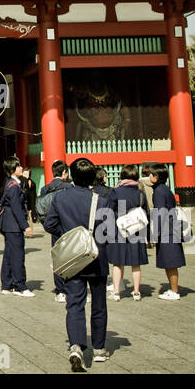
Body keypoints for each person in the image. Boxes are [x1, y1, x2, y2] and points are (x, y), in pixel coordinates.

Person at [44, 158, 112, 370]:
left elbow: (49, 224)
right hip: (96, 256)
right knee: (99, 303)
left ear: (71, 175)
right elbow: (109, 230)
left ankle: (76, 345)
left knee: (75, 303)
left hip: (73, 258)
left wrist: (67, 237)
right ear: (93, 177)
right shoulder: (101, 200)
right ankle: (99, 348)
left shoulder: (60, 198)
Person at [105, 164, 148, 301]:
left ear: (122, 176)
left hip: (119, 230)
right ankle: (136, 292)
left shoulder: (115, 192)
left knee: (118, 262)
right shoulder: (141, 193)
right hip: (136, 229)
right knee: (136, 263)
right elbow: (145, 211)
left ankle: (116, 292)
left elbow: (108, 210)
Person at [146, 164, 186, 300]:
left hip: (166, 230)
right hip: (171, 227)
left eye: (151, 174)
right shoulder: (165, 189)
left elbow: (159, 212)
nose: (149, 176)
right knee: (170, 262)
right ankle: (173, 288)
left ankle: (174, 291)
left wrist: (154, 233)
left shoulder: (158, 191)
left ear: (156, 176)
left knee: (170, 262)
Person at [37, 161, 74, 302]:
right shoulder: (69, 187)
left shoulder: (45, 188)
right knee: (71, 256)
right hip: (68, 225)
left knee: (57, 257)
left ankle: (60, 290)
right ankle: (71, 286)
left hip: (54, 227)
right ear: (64, 172)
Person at [0, 159, 34, 297]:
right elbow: (17, 208)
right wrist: (26, 226)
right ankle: (20, 286)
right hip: (13, 225)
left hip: (9, 224)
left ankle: (7, 284)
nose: (21, 168)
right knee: (17, 256)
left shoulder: (10, 183)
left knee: (8, 255)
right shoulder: (13, 186)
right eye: (18, 166)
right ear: (12, 169)